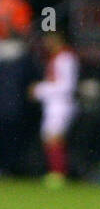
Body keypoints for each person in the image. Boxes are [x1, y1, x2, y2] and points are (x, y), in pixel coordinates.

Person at [30, 30, 78, 187]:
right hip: (52, 103)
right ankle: (56, 171)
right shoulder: (55, 57)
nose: (47, 43)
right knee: (49, 138)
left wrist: (39, 90)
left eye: (50, 40)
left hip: (62, 103)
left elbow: (67, 86)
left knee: (55, 138)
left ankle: (59, 173)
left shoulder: (66, 57)